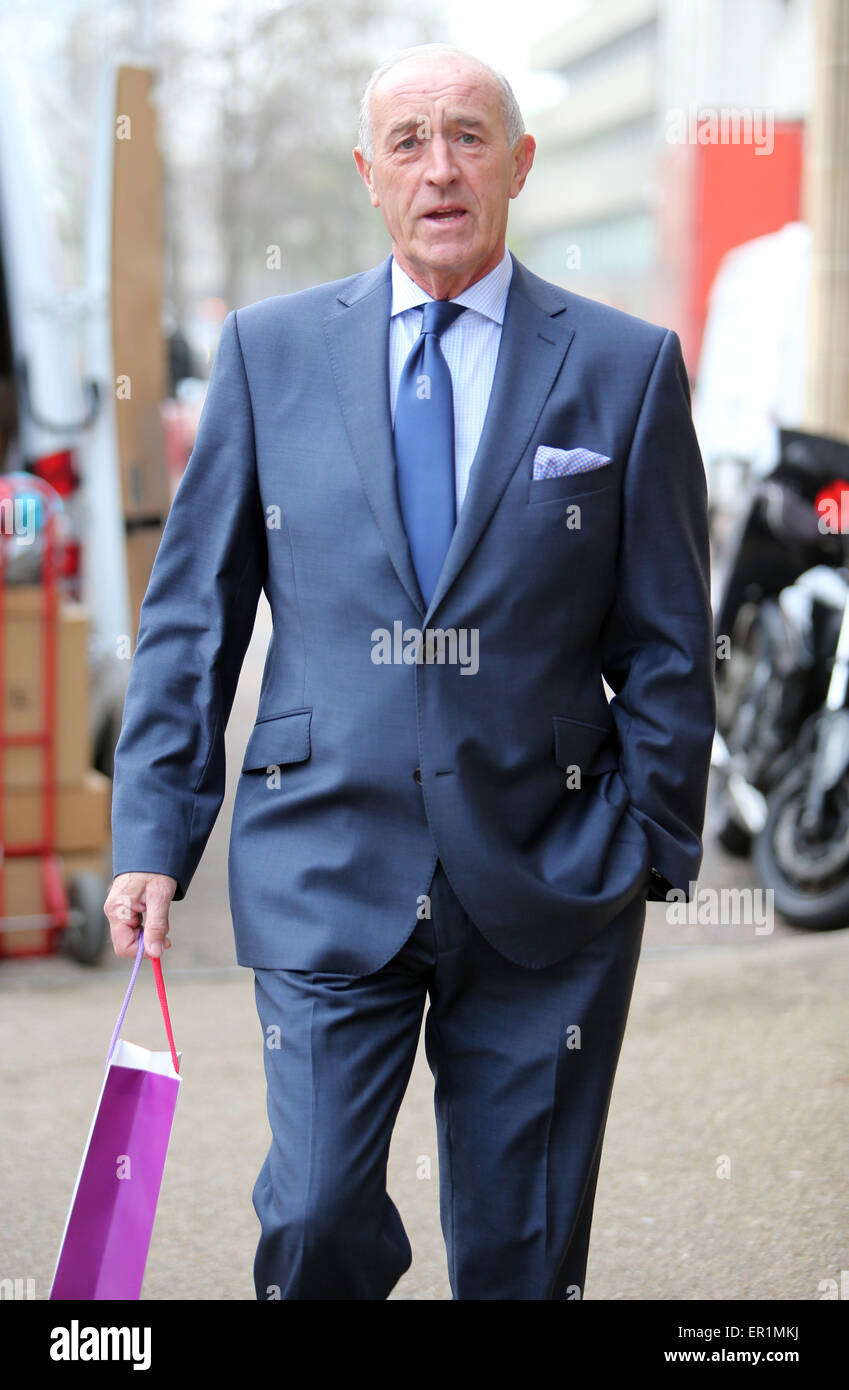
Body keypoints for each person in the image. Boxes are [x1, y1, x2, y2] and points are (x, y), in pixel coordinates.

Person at [105, 42, 716, 1300]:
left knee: (523, 1255)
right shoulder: (271, 355)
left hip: (550, 870)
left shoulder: (623, 364)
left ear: (521, 164)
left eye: (470, 137)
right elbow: (190, 618)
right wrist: (153, 834)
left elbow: (666, 635)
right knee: (318, 1218)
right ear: (369, 177)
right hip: (326, 858)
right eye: (409, 142)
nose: (440, 167)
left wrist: (651, 834)